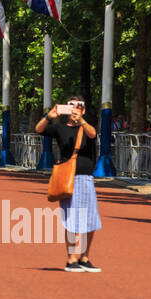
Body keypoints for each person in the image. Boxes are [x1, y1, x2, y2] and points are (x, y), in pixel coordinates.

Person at [35, 95, 101, 272]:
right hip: (68, 179)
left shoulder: (87, 128)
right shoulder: (60, 129)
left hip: (86, 178)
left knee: (90, 220)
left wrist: (82, 121)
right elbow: (39, 129)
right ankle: (71, 259)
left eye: (78, 106)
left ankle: (84, 257)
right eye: (70, 105)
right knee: (72, 220)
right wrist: (50, 115)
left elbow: (93, 134)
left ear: (83, 110)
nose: (73, 109)